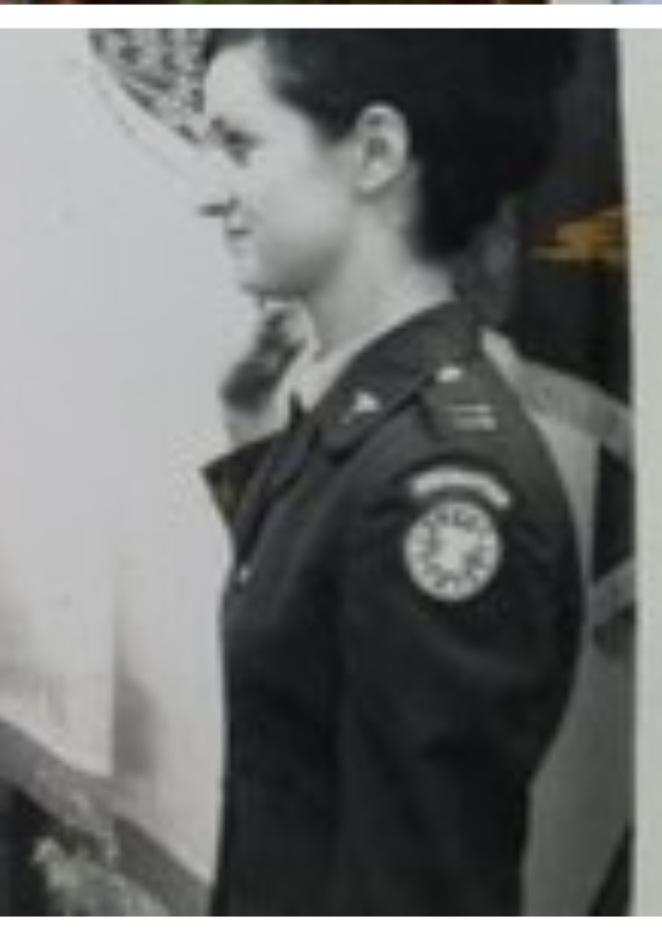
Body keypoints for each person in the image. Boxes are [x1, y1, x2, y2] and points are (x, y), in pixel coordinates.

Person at [194, 30, 584, 913]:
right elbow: (309, 666)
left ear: (374, 151)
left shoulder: (438, 482)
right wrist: (254, 438)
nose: (208, 191)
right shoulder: (364, 416)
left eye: (239, 143)